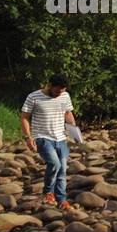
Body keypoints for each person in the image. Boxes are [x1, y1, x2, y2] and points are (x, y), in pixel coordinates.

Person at [20, 74, 77, 209]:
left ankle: (61, 199)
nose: (60, 93)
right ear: (49, 85)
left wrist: (74, 131)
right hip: (42, 137)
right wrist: (28, 137)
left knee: (62, 170)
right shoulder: (33, 97)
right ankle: (48, 192)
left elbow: (68, 113)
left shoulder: (65, 96)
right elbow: (24, 117)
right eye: (57, 91)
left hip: (61, 137)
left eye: (62, 91)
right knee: (54, 164)